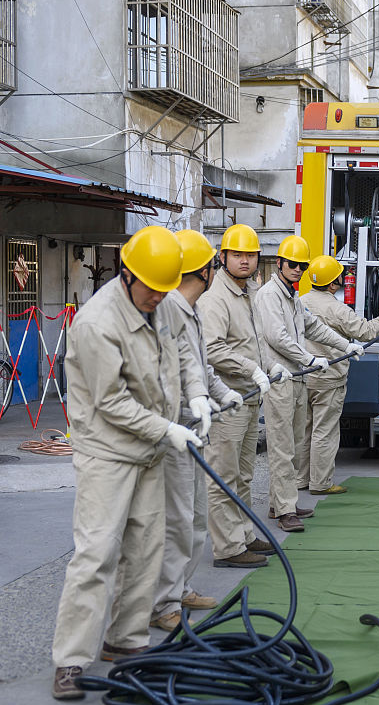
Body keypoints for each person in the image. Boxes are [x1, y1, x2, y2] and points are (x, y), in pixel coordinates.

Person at [50, 225, 212, 700]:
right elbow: (111, 403)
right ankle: (71, 661)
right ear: (127, 275)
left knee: (146, 548)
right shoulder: (98, 323)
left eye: (165, 291)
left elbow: (183, 348)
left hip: (151, 451)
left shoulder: (159, 304)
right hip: (108, 452)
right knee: (97, 554)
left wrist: (198, 394)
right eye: (152, 290)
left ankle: (126, 641)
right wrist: (169, 429)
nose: (159, 300)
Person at [149, 230, 245, 633]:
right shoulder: (168, 309)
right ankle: (163, 603)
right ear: (205, 269)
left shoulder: (192, 309)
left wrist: (224, 394)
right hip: (171, 431)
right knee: (176, 519)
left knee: (195, 516)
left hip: (192, 429)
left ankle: (180, 587)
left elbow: (200, 367)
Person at [254, 236, 360, 531]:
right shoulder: (269, 295)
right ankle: (286, 510)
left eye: (302, 265)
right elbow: (277, 337)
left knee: (295, 442)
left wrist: (345, 346)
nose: (298, 270)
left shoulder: (292, 296)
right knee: (283, 447)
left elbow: (314, 326)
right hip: (281, 380)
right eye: (293, 265)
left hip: (297, 379)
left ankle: (281, 503)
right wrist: (310, 359)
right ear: (280, 264)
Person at [199, 223, 283, 568]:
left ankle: (244, 534)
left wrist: (268, 366)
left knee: (245, 474)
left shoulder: (247, 292)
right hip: (227, 399)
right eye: (238, 255)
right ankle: (228, 547)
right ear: (223, 257)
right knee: (223, 477)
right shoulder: (215, 298)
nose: (245, 260)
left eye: (250, 255)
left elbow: (251, 341)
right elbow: (211, 348)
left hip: (249, 397)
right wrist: (251, 368)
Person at [301, 255, 379, 494]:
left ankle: (301, 480)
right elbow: (364, 332)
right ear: (332, 283)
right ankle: (321, 483)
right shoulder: (336, 308)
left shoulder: (301, 301)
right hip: (329, 380)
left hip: (305, 377)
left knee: (304, 430)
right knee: (324, 432)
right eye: (340, 274)